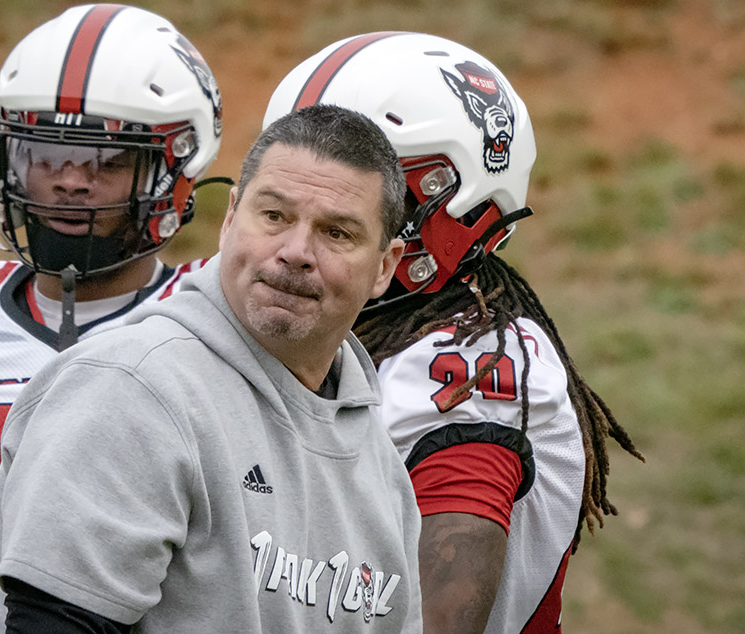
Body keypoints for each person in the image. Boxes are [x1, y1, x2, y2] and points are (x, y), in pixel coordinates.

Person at [0, 104, 423, 634]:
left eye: (337, 233)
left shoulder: (383, 471)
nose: (295, 252)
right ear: (231, 217)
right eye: (274, 216)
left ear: (384, 267)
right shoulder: (135, 389)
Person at [265, 33, 645, 633]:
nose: (295, 246)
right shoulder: (304, 323)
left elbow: (439, 622)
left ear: (464, 204)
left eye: (364, 198)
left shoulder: (462, 361)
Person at [0, 5, 223, 633]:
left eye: (109, 161)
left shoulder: (212, 317)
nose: (69, 183)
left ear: (176, 175)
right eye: (46, 154)